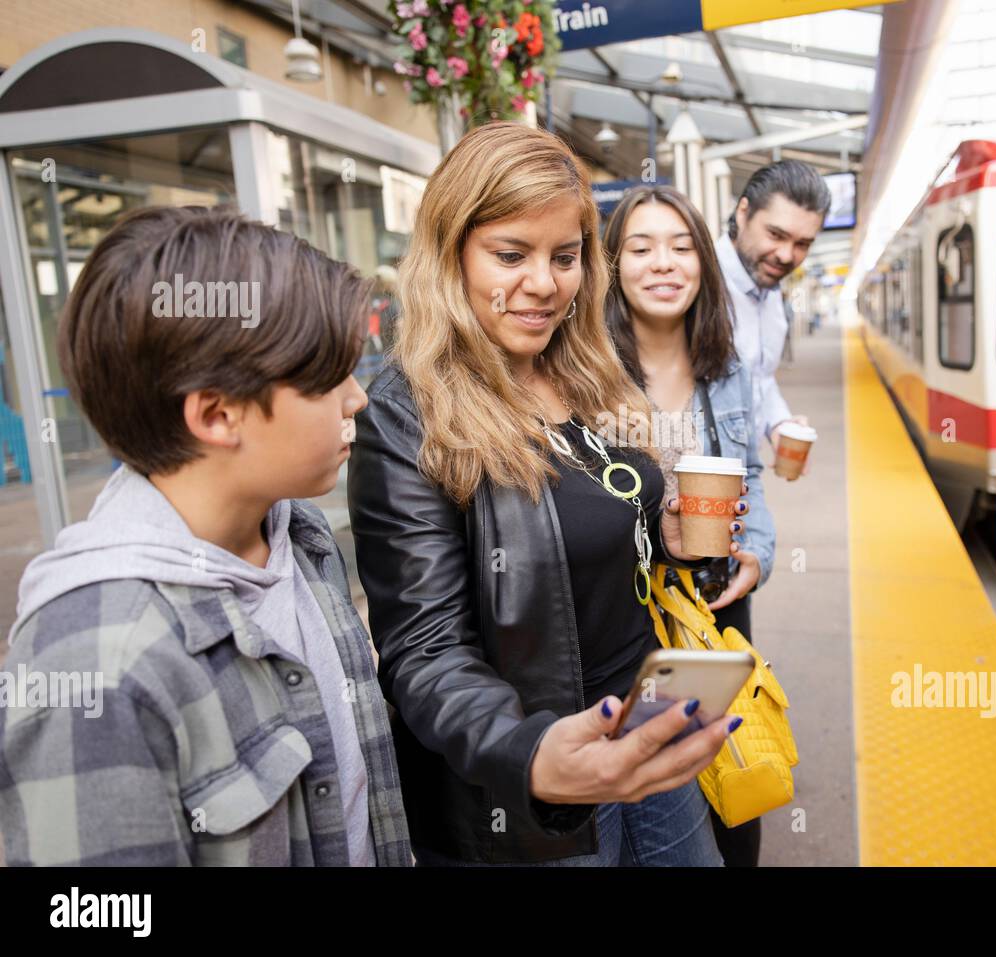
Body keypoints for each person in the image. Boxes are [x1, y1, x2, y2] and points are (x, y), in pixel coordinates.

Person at [346, 122, 750, 866]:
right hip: (540, 781)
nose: (543, 283)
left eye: (566, 257)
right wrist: (534, 755)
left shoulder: (589, 370)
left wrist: (677, 540)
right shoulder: (406, 411)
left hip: (650, 717)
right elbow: (423, 652)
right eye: (510, 254)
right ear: (450, 251)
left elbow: (600, 532)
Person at [0, 206, 411, 866]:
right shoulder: (92, 662)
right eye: (328, 377)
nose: (356, 398)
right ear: (219, 414)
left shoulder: (297, 536)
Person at [604, 184, 776, 866]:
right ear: (613, 265)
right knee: (650, 788)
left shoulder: (726, 368)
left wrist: (757, 552)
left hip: (715, 603)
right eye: (641, 248)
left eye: (680, 247)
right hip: (630, 611)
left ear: (704, 261)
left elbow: (750, 477)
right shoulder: (586, 370)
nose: (663, 263)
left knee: (735, 788)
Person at [716, 159, 831, 467]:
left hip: (744, 464)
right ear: (743, 213)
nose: (786, 255)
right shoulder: (694, 282)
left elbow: (761, 378)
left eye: (802, 243)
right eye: (776, 234)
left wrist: (779, 423)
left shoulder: (769, 291)